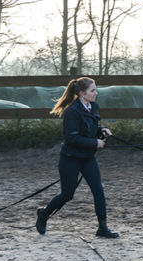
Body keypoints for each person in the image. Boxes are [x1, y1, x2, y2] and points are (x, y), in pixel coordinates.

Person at [35, 77, 119, 238]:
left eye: (95, 89)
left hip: (88, 158)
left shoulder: (92, 107)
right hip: (70, 158)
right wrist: (95, 142)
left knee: (98, 191)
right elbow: (72, 138)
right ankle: (44, 214)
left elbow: (88, 128)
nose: (96, 93)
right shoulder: (72, 112)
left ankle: (102, 227)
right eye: (92, 90)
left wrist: (102, 130)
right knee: (67, 195)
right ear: (82, 93)